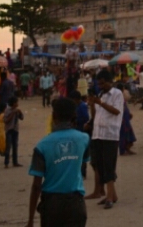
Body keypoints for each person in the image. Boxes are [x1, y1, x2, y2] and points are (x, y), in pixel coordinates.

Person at [27, 97, 91, 227]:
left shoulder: (42, 145)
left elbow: (36, 185)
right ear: (74, 115)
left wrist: (30, 220)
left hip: (52, 204)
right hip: (76, 203)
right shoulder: (84, 139)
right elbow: (83, 161)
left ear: (54, 115)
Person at [86, 69, 122, 209]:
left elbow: (116, 111)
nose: (100, 86)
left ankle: (109, 196)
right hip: (97, 134)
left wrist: (100, 103)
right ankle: (112, 194)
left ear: (110, 82)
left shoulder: (117, 94)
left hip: (110, 134)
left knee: (109, 165)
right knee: (99, 166)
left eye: (102, 83)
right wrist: (92, 104)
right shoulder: (100, 94)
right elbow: (96, 115)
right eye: (99, 84)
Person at [4, 95, 25, 168]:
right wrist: (13, 113)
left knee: (15, 146)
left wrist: (20, 112)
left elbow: (22, 118)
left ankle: (15, 162)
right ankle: (6, 162)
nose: (17, 104)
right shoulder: (7, 110)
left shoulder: (16, 110)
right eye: (16, 102)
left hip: (15, 130)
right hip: (9, 130)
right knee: (8, 146)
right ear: (13, 103)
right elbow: (6, 121)